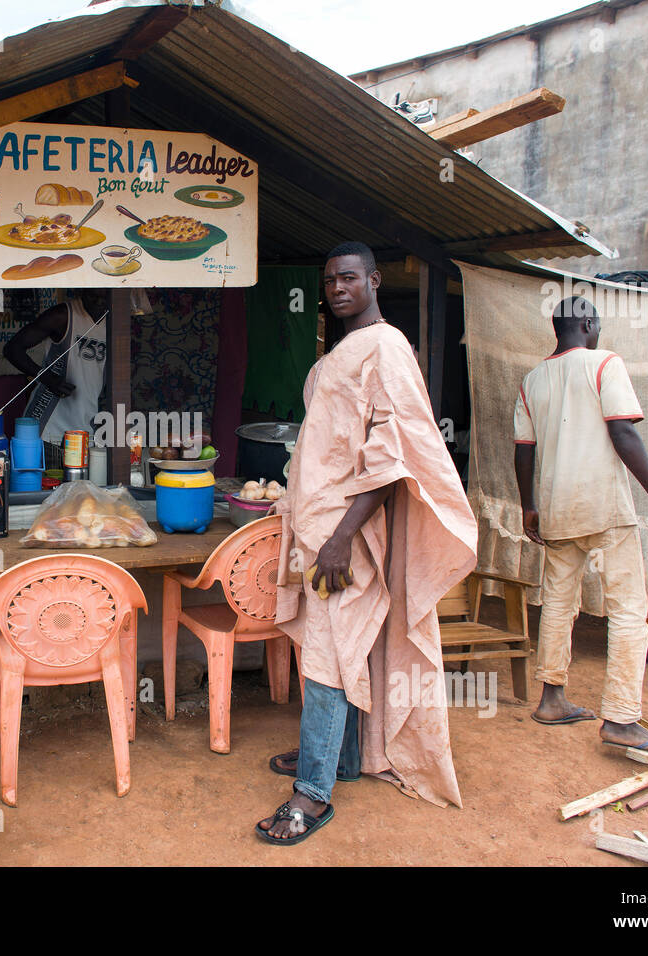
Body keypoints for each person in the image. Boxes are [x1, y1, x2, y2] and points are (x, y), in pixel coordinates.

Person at [258, 241, 478, 845]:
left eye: (349, 277)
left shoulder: (385, 347)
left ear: (374, 280)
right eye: (329, 279)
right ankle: (339, 758)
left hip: (342, 536)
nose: (336, 287)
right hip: (321, 528)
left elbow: (393, 455)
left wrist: (340, 538)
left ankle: (313, 793)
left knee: (328, 658)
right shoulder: (344, 352)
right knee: (340, 647)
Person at [513, 295, 648, 753]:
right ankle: (622, 718)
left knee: (557, 603)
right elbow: (623, 431)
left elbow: (523, 449)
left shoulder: (532, 380)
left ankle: (552, 699)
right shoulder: (604, 362)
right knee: (629, 611)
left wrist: (528, 506)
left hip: (554, 507)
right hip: (603, 505)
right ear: (588, 323)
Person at [4, 296, 106, 465]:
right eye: (96, 288)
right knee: (42, 489)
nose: (100, 293)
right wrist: (48, 378)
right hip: (49, 430)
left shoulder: (115, 322)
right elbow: (12, 349)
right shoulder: (64, 315)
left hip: (87, 431)